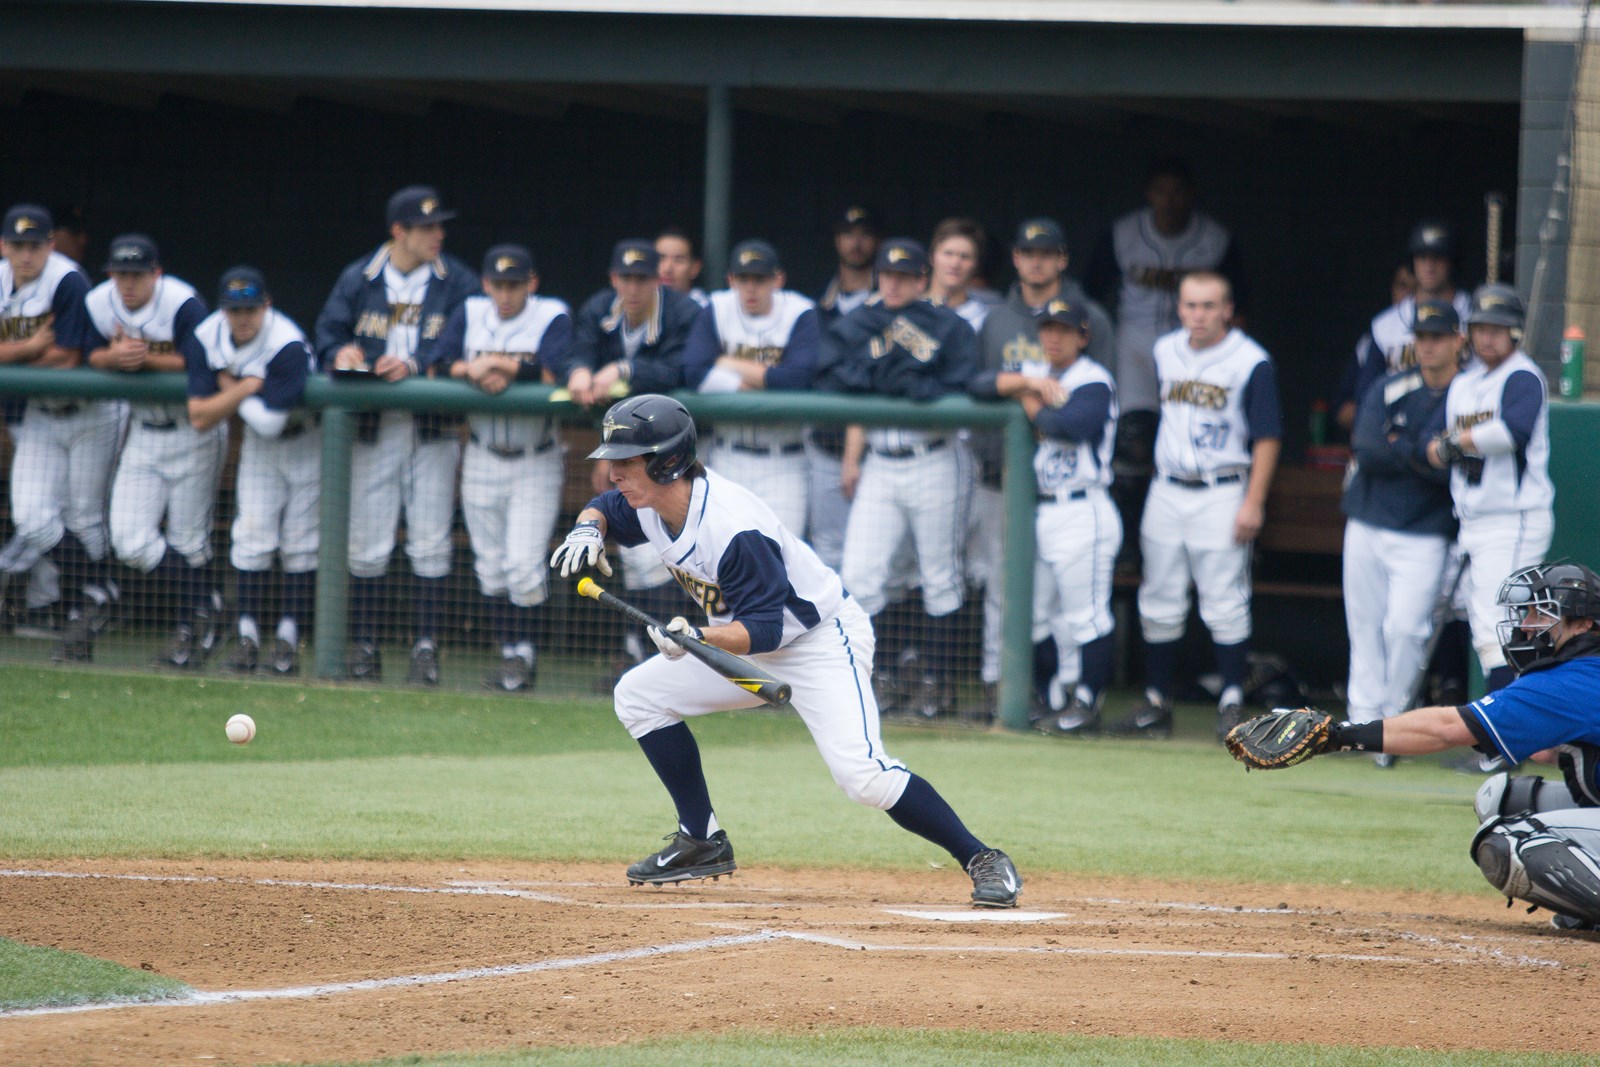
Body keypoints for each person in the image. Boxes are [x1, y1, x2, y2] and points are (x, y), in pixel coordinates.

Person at [549, 393, 1021, 907]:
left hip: (820, 642)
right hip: (741, 640)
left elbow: (767, 630)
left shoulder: (732, 527)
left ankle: (983, 858)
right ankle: (700, 838)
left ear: (666, 462)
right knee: (637, 696)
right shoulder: (650, 502)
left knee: (862, 776)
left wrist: (696, 637)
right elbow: (605, 508)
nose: (613, 473)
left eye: (626, 462)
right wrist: (587, 527)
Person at [1242, 561, 1600, 932]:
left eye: (1542, 614)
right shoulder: (1586, 671)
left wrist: (1338, 735)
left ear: (1585, 624)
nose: (1527, 625)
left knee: (1515, 842)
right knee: (1504, 799)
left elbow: (1447, 728)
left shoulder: (1576, 680)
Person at [314, 184, 477, 684]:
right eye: (427, 227)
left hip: (430, 428)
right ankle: (364, 645)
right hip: (372, 427)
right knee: (366, 543)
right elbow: (327, 334)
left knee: (429, 541)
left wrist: (416, 364)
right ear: (398, 232)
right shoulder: (359, 276)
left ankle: (425, 648)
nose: (438, 235)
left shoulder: (459, 280)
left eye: (439, 225)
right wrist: (341, 355)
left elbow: (464, 340)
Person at [1112, 271, 1281, 741]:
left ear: (1227, 309)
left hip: (1222, 487)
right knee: (1159, 598)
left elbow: (1268, 436)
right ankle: (1155, 701)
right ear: (1179, 309)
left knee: (1224, 600)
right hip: (1166, 487)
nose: (1199, 315)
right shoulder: (1166, 350)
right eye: (1190, 305)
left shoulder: (1251, 360)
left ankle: (1231, 700)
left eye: (1209, 306)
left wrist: (1254, 502)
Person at [831, 238, 979, 719]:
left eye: (904, 276)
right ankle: (881, 676)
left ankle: (938, 682)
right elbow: (832, 372)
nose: (893, 283)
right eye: (887, 274)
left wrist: (897, 375)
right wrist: (899, 374)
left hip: (934, 456)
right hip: (880, 460)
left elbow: (962, 379)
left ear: (921, 279)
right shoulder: (859, 321)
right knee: (861, 575)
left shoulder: (947, 324)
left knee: (940, 575)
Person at [972, 218, 1115, 711]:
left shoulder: (1094, 378)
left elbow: (1064, 426)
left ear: (1083, 334)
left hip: (1084, 507)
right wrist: (1027, 384)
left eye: (1064, 331)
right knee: (1037, 614)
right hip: (1043, 507)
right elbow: (978, 384)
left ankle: (1088, 699)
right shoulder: (1038, 372)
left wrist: (1029, 400)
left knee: (1085, 615)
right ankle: (1051, 697)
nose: (1054, 338)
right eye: (1047, 330)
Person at [1083, 161, 1244, 573]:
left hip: (1196, 350)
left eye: (1177, 191)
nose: (1169, 201)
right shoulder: (1123, 233)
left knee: (1188, 439)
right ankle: (1129, 546)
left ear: (1190, 195)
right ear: (1148, 194)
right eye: (1160, 191)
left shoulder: (1214, 239)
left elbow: (1239, 307)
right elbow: (1089, 296)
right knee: (1134, 444)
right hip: (1135, 343)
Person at [82, 234, 223, 669]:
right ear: (110, 274)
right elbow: (85, 354)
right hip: (143, 431)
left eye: (137, 275)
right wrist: (113, 357)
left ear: (155, 274)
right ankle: (207, 603)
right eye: (120, 273)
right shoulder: (99, 302)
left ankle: (188, 631)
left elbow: (206, 362)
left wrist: (145, 361)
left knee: (188, 539)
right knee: (129, 540)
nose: (128, 283)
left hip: (192, 432)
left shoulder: (183, 304)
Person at [435, 244, 572, 692]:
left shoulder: (552, 313)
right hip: (481, 451)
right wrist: (472, 370)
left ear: (531, 283)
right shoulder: (471, 311)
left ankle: (524, 656)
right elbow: (440, 361)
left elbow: (555, 371)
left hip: (535, 454)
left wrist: (498, 363)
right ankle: (508, 650)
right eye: (499, 284)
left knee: (523, 564)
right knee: (490, 566)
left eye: (516, 284)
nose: (506, 294)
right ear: (486, 283)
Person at [564, 238, 700, 677]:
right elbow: (578, 349)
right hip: (623, 448)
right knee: (637, 557)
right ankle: (638, 648)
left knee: (666, 557)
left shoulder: (681, 312)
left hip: (672, 453)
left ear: (656, 279)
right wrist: (580, 371)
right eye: (626, 277)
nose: (634, 287)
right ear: (613, 279)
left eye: (642, 277)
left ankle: (670, 650)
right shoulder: (598, 310)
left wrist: (625, 369)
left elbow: (682, 370)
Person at [1339, 299, 1463, 767]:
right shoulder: (1392, 386)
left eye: (1437, 336)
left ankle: (1391, 727)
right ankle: (1360, 720)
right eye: (1422, 337)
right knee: (1364, 624)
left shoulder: (1467, 394)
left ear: (1457, 341)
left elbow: (1452, 471)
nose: (1428, 345)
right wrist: (1422, 455)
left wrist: (1404, 449)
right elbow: (1368, 448)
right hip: (1368, 519)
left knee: (1406, 629)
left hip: (1426, 529)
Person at [0, 204, 118, 659]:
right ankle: (98, 590)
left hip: (91, 413)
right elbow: (45, 353)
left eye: (35, 246)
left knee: (85, 517)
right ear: (4, 246)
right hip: (41, 417)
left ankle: (78, 620)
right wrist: (29, 347)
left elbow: (68, 358)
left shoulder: (68, 280)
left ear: (50, 246)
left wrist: (11, 353)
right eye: (17, 246)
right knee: (31, 516)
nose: (26, 255)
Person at [188, 267, 318, 676]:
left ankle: (287, 640)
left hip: (305, 440)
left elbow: (270, 422)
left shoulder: (287, 343)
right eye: (234, 310)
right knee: (252, 537)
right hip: (261, 452)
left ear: (267, 305)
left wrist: (230, 390)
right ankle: (247, 638)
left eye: (250, 308)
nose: (242, 318)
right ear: (223, 310)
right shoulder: (206, 336)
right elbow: (199, 416)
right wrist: (246, 388)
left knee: (300, 543)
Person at [1428, 283, 1554, 697]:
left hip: (1513, 519)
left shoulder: (1521, 374)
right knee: (1488, 627)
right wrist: (1444, 446)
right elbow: (1439, 445)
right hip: (1474, 519)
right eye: (1481, 327)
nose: (1488, 337)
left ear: (1514, 332)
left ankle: (1503, 743)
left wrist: (1455, 443)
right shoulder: (1465, 384)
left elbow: (1511, 432)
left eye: (1497, 329)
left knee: (1498, 623)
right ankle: (1501, 739)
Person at [682, 238, 820, 533]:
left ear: (777, 279)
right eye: (743, 278)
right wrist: (760, 385)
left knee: (781, 558)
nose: (751, 287)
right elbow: (693, 372)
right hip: (727, 456)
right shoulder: (717, 307)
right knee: (722, 559)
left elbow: (798, 380)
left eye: (760, 279)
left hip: (784, 461)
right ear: (731, 279)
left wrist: (727, 363)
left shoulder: (800, 312)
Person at [1334, 220, 1472, 433]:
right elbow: (1366, 397)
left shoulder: (1474, 318)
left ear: (1451, 262)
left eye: (1437, 257)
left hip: (1459, 427)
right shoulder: (1386, 325)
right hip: (1400, 430)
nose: (1429, 266)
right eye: (1422, 257)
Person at [805, 205, 882, 572]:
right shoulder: (814, 304)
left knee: (880, 560)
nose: (856, 241)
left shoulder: (890, 305)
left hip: (882, 451)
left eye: (865, 233)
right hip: (825, 444)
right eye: (848, 233)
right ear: (837, 239)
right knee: (827, 552)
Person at [926, 218, 995, 333]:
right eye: (948, 254)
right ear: (932, 257)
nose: (955, 264)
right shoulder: (908, 308)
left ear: (976, 265)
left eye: (965, 257)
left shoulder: (986, 320)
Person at [654, 227, 708, 308]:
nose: (667, 269)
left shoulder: (705, 310)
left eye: (678, 260)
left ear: (695, 268)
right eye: (661, 259)